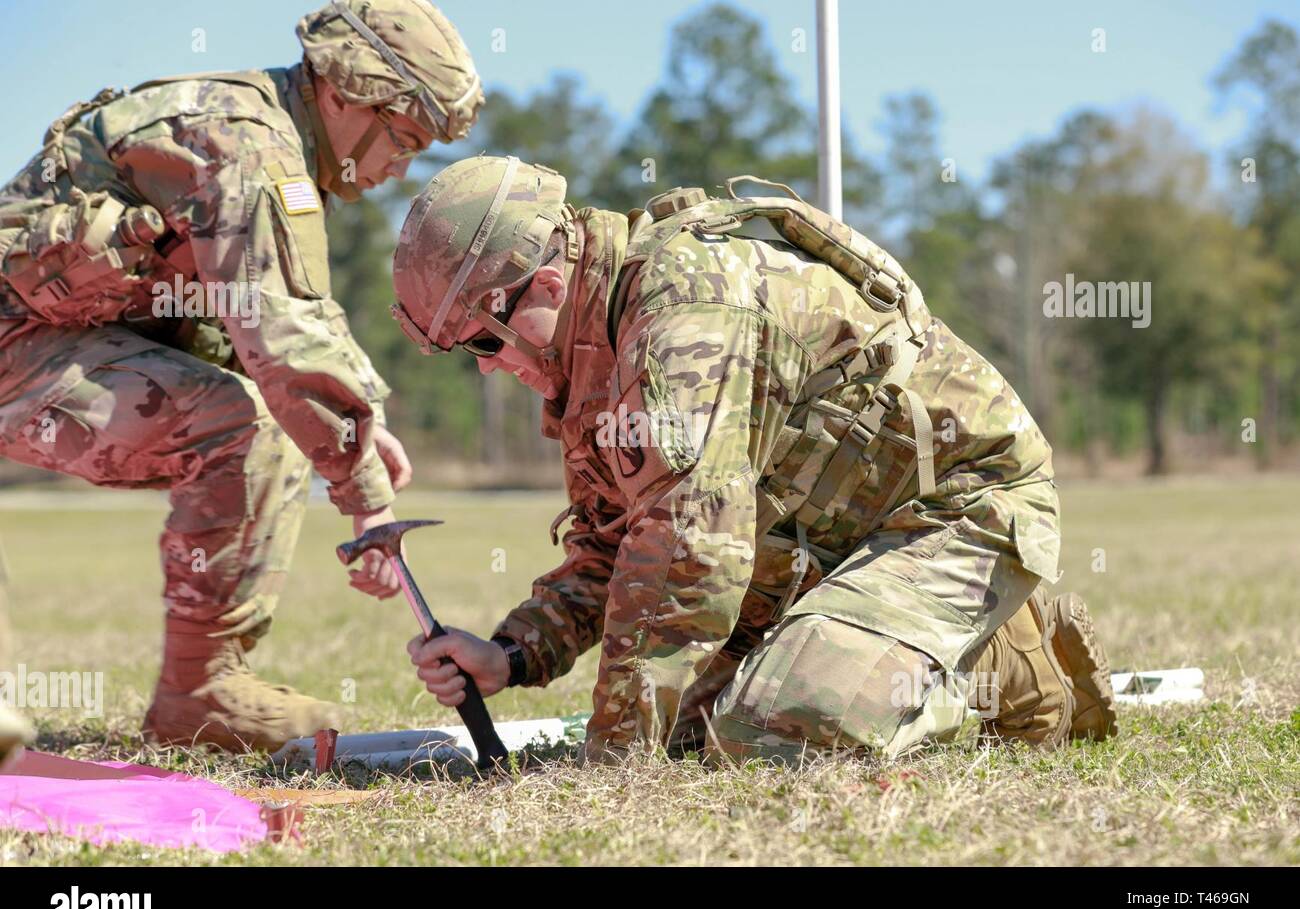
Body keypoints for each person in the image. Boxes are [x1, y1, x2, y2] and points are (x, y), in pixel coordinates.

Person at [391, 156, 1117, 763]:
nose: (486, 369)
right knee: (691, 739)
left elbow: (689, 551)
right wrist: (512, 654)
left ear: (546, 286)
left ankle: (1007, 662)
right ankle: (883, 640)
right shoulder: (587, 350)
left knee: (778, 727)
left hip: (953, 508)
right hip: (822, 545)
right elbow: (614, 542)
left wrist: (614, 765)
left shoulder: (684, 313)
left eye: (483, 342)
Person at [0, 0, 483, 751]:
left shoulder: (276, 152)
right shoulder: (251, 147)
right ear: (347, 93)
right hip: (19, 343)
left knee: (260, 419)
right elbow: (283, 341)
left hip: (52, 342)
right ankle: (200, 694)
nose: (400, 169)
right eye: (404, 138)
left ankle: (199, 694)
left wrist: (367, 422)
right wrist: (366, 500)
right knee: (246, 422)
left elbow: (287, 316)